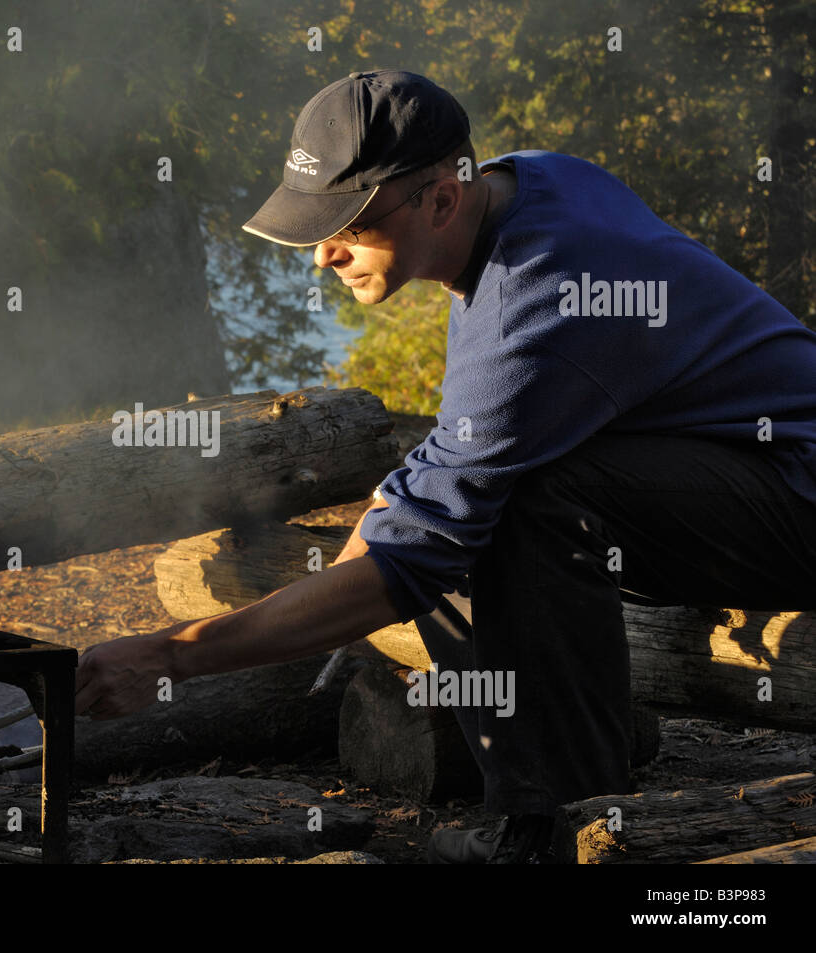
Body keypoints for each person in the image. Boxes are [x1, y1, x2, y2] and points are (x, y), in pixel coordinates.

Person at [73, 69, 816, 863]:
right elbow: (439, 484)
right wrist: (391, 525)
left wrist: (172, 656)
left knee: (516, 500)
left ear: (440, 199)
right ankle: (545, 792)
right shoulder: (529, 179)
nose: (324, 255)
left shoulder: (541, 298)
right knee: (456, 496)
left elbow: (415, 552)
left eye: (349, 226)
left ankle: (556, 833)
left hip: (795, 488)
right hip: (742, 466)